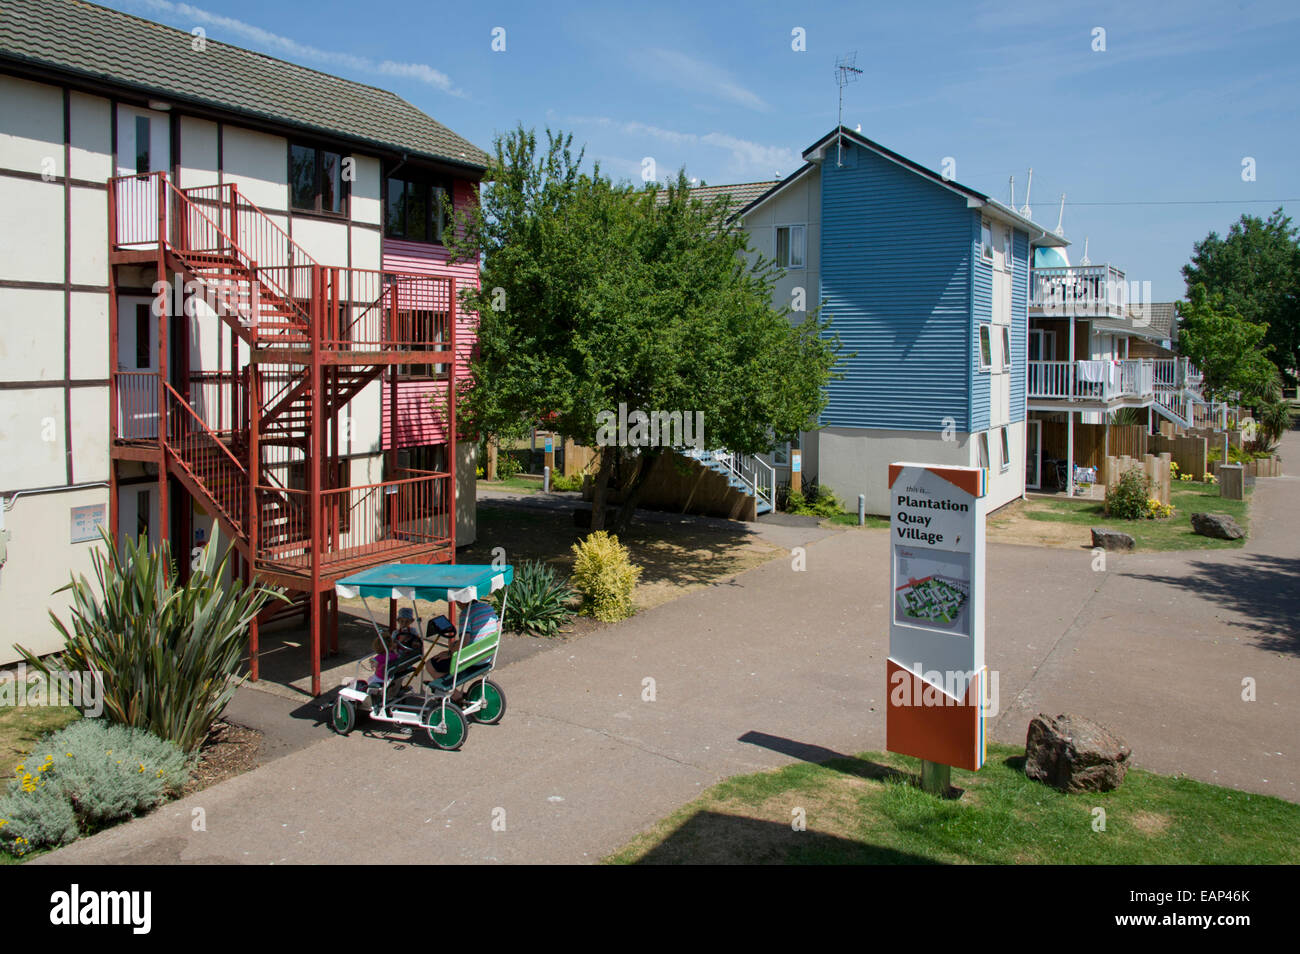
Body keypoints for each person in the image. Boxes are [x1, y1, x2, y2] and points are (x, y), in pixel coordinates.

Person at [428, 598, 499, 679]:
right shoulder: (488, 607)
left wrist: (450, 654)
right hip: (487, 656)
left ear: (461, 601)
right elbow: (499, 626)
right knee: (454, 645)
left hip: (472, 660)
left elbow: (464, 641)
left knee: (430, 665)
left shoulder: (466, 613)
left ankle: (455, 691)